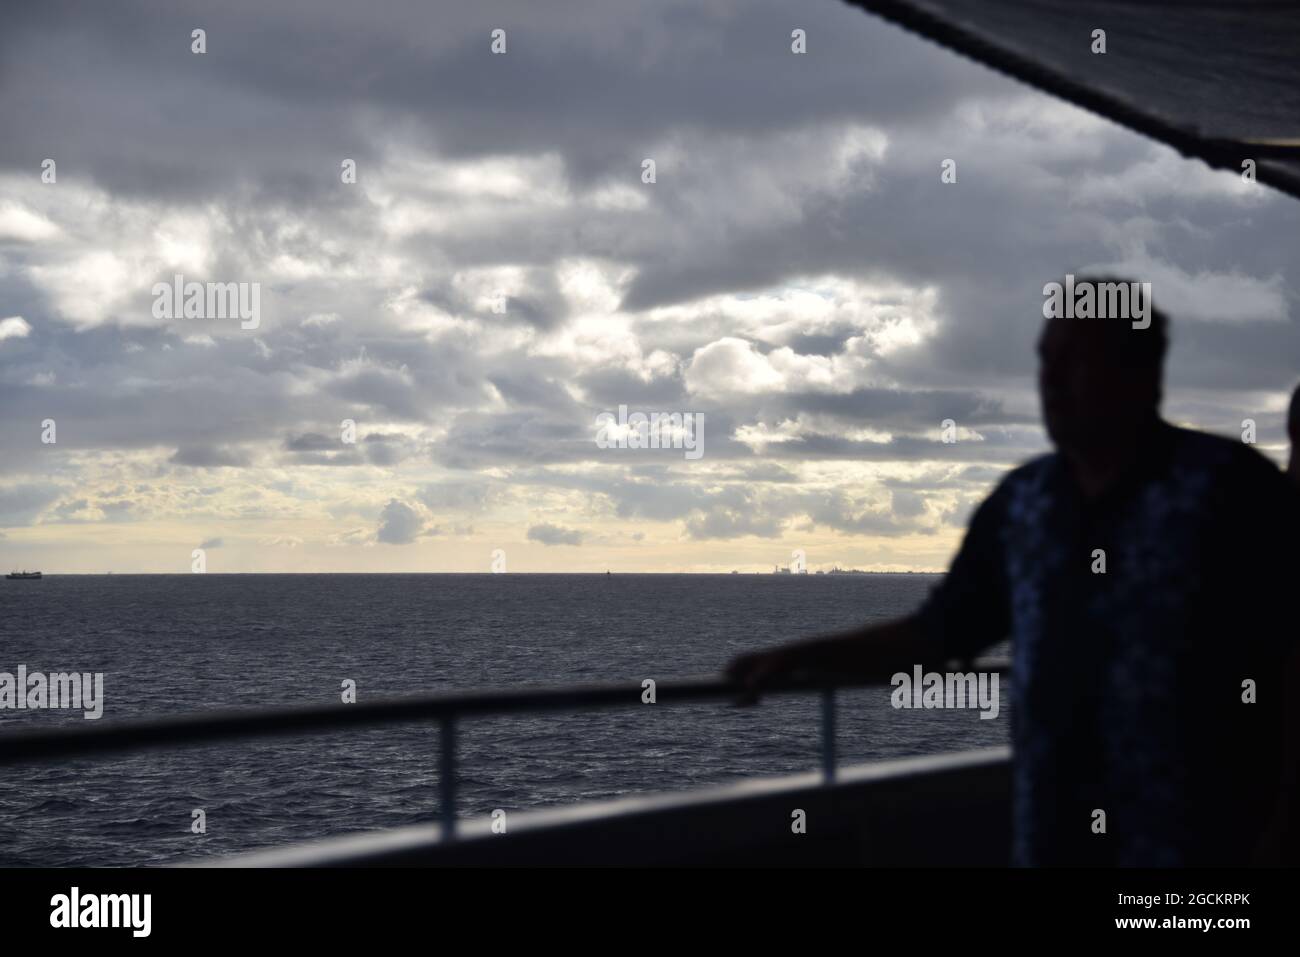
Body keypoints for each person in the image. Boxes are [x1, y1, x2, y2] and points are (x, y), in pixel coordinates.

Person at [728, 281, 1298, 866]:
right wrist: (801, 657)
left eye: (1076, 361)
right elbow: (940, 634)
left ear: (1141, 373)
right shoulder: (1022, 504)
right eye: (1046, 362)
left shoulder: (1232, 490)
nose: (1051, 382)